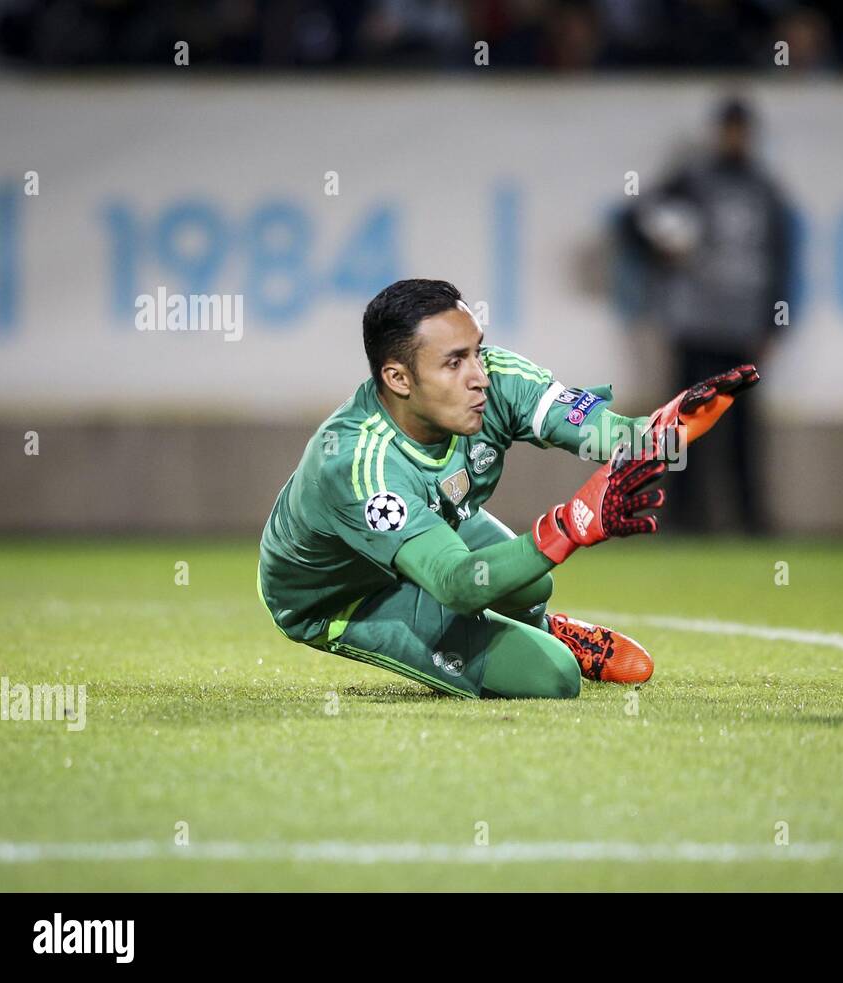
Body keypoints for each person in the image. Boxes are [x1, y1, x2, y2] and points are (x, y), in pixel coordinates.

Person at [258, 278, 758, 699]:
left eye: (477, 349)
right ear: (399, 378)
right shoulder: (356, 465)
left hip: (433, 521)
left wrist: (666, 435)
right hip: (345, 593)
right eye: (454, 362)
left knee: (532, 584)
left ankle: (544, 625)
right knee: (555, 677)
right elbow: (455, 581)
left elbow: (612, 438)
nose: (479, 375)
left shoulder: (495, 378)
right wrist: (568, 527)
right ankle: (541, 645)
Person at [619, 96, 791, 534]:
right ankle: (683, 518)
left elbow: (779, 258)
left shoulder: (764, 189)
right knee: (683, 430)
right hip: (694, 324)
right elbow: (634, 220)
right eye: (729, 129)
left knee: (743, 433)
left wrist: (773, 322)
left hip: (741, 328)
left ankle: (749, 519)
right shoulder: (691, 181)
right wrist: (659, 248)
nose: (735, 138)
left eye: (741, 130)